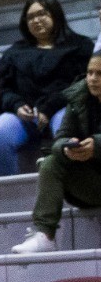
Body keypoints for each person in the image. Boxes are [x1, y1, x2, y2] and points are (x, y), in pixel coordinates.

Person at [0, 0, 94, 177]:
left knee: (65, 127)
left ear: (55, 15)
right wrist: (16, 105)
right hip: (25, 116)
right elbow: (1, 90)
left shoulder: (80, 46)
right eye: (30, 17)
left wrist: (49, 107)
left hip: (62, 108)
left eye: (42, 14)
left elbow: (84, 83)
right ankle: (7, 198)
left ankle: (75, 188)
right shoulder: (14, 53)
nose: (36, 20)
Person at [13, 53, 101, 255]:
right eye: (90, 72)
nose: (93, 78)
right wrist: (68, 149)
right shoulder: (79, 97)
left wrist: (96, 146)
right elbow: (60, 139)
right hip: (92, 184)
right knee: (51, 162)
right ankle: (44, 235)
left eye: (99, 74)